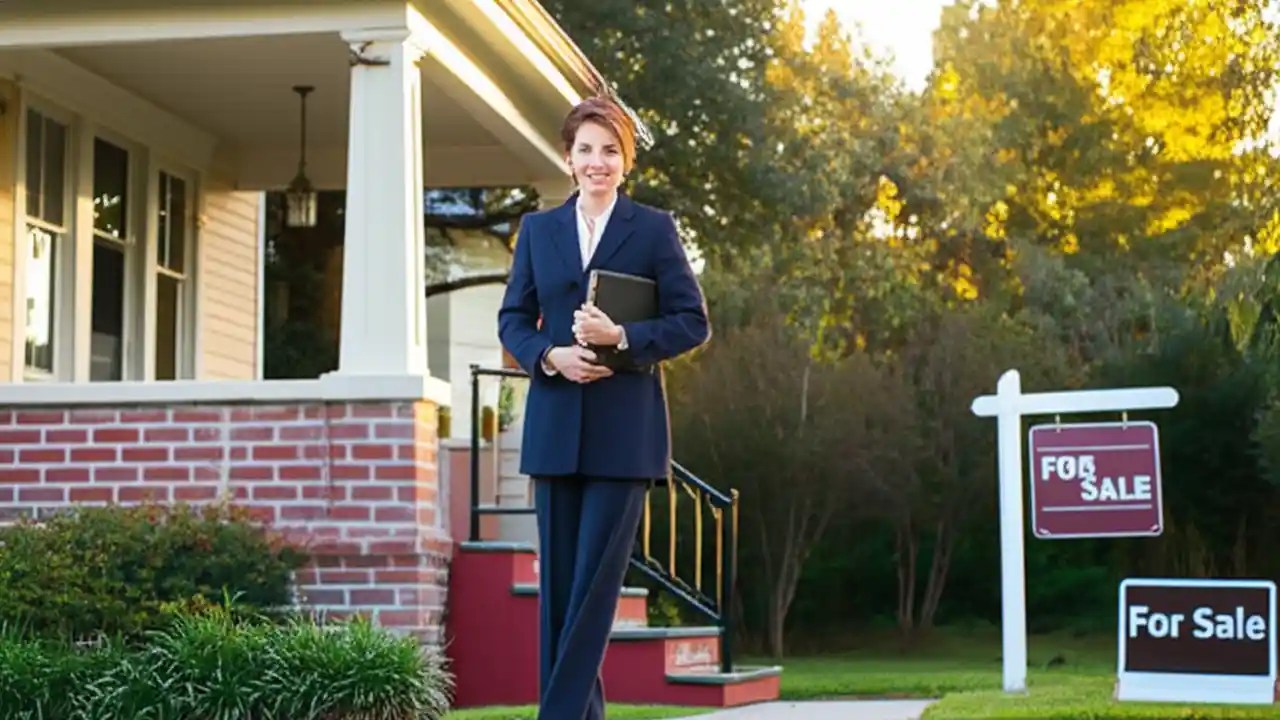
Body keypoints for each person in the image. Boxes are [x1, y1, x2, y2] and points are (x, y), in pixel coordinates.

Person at [497, 95, 711, 720]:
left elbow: (692, 322)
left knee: (593, 591)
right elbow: (513, 318)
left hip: (625, 436)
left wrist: (623, 338)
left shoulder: (652, 230)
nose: (598, 161)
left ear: (626, 161)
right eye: (586, 150)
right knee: (560, 596)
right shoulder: (538, 231)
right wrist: (549, 356)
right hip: (555, 429)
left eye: (610, 150)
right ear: (568, 159)